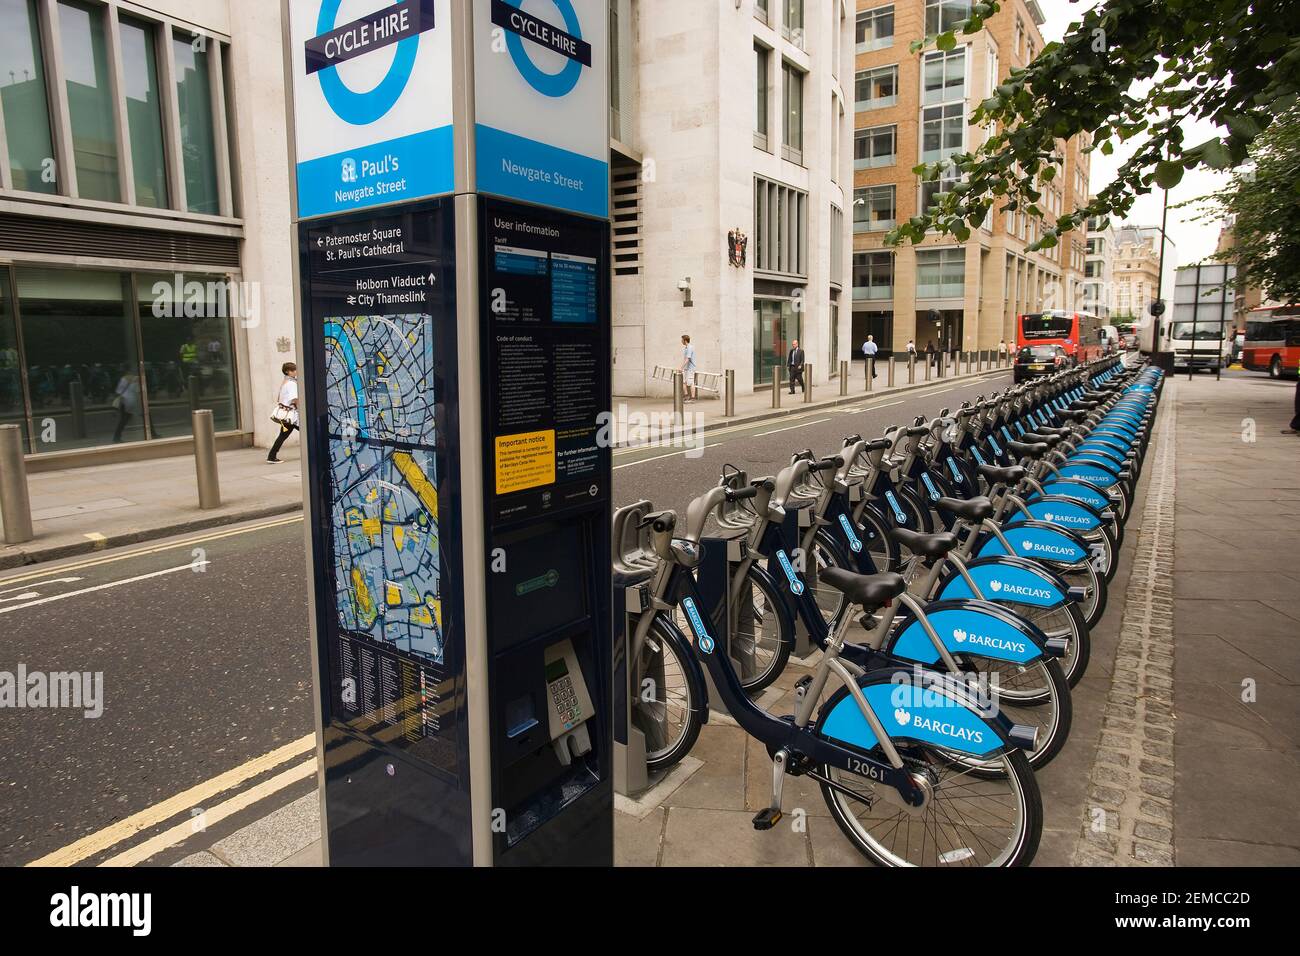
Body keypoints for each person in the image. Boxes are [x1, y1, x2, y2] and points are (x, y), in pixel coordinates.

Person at [268, 362, 299, 463]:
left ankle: (271, 456)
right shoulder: (291, 383)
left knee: (282, 435)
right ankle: (271, 457)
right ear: (288, 371)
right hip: (292, 415)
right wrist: (300, 409)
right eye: (293, 370)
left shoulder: (286, 382)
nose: (296, 372)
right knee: (310, 432)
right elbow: (294, 399)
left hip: (287, 415)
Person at [112, 373, 141, 443]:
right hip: (130, 402)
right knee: (124, 420)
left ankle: (117, 437)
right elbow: (137, 391)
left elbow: (118, 391)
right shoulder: (136, 379)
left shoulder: (123, 379)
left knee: (124, 420)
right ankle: (116, 437)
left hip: (124, 401)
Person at [679, 334, 697, 403]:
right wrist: (682, 367)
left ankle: (692, 398)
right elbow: (685, 359)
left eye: (682, 340)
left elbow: (688, 359)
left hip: (690, 368)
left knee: (691, 383)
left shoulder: (690, 347)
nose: (681, 341)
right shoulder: (686, 348)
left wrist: (681, 367)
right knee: (684, 382)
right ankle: (686, 396)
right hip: (686, 368)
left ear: (685, 340)